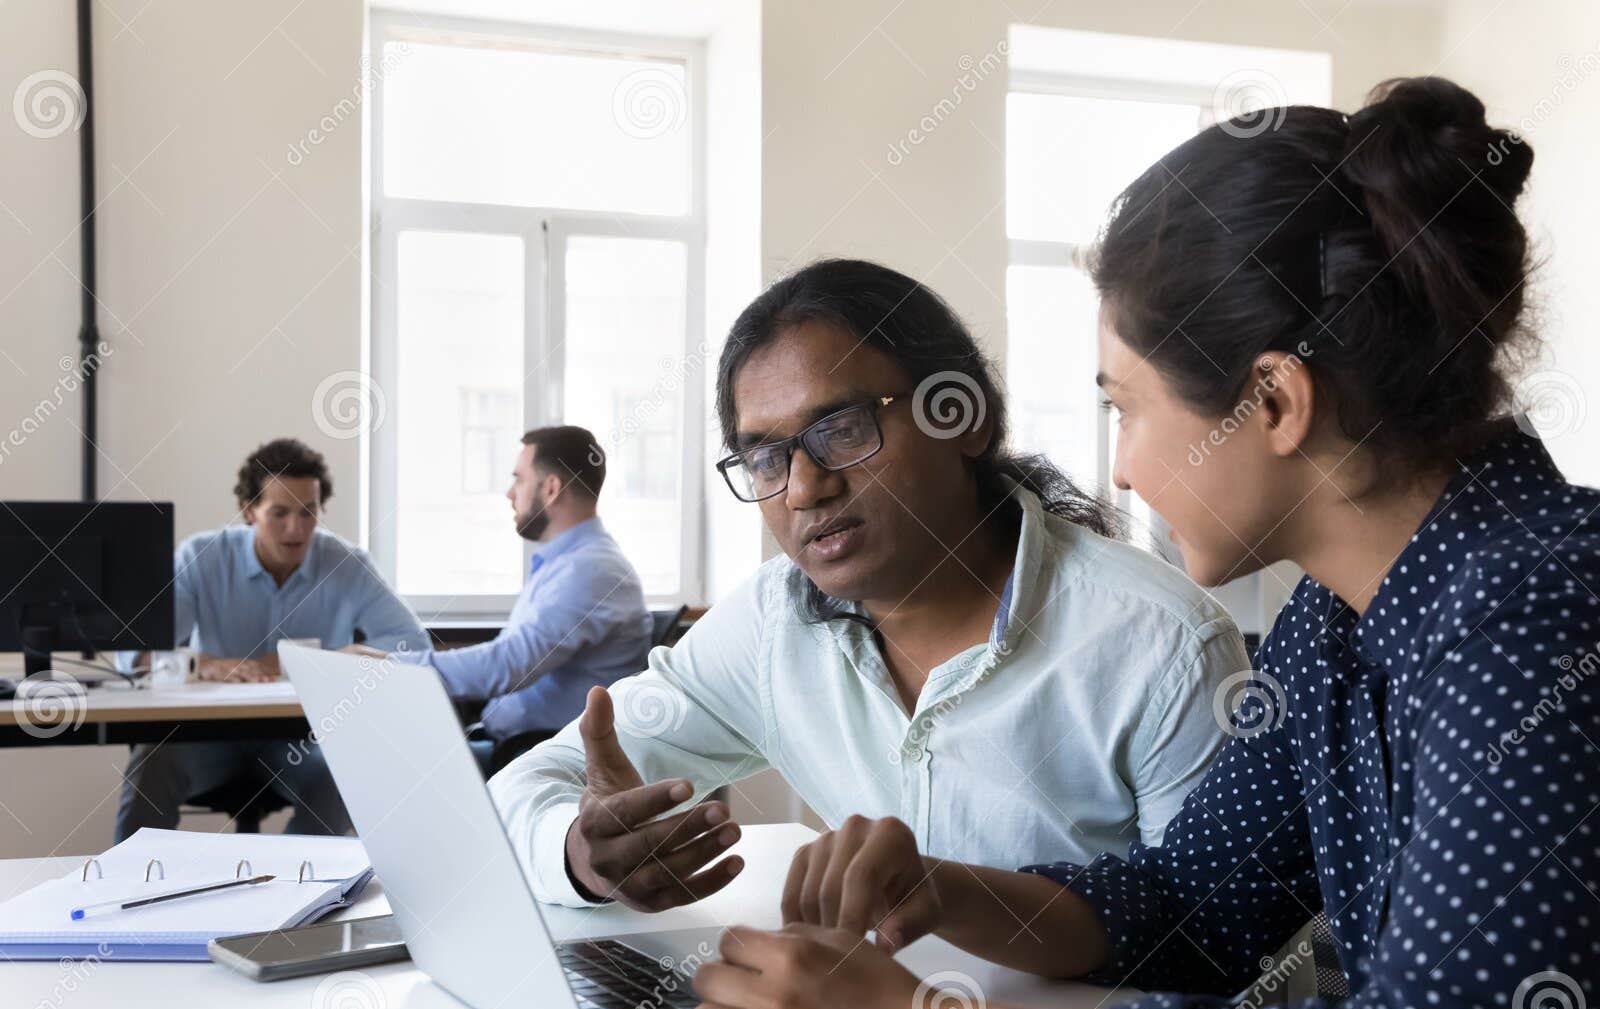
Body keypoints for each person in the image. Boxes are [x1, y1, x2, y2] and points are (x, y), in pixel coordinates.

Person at [687, 78, 1600, 1009]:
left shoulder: (1541, 609)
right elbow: (1194, 903)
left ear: (1274, 401)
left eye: (1126, 408)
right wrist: (945, 889)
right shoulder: (1333, 623)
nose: (1118, 466)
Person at [489, 258, 1250, 912]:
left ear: (965, 417)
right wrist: (584, 854)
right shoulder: (772, 623)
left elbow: (1214, 961)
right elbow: (534, 780)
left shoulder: (1162, 647)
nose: (803, 488)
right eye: (765, 457)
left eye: (845, 429)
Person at [116, 438, 427, 839]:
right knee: (151, 763)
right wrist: (204, 664)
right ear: (249, 512)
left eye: (308, 512)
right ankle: (130, 887)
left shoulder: (346, 565)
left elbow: (412, 645)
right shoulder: (203, 556)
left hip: (304, 738)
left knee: (343, 771)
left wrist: (316, 661)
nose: (296, 529)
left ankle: (301, 889)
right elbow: (132, 654)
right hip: (208, 737)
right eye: (279, 513)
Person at [370, 427, 652, 770]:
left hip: (545, 756)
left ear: (550, 488)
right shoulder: (566, 564)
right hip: (519, 745)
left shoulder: (591, 571)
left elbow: (508, 665)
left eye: (518, 480)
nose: (509, 493)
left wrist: (386, 668)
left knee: (392, 766)